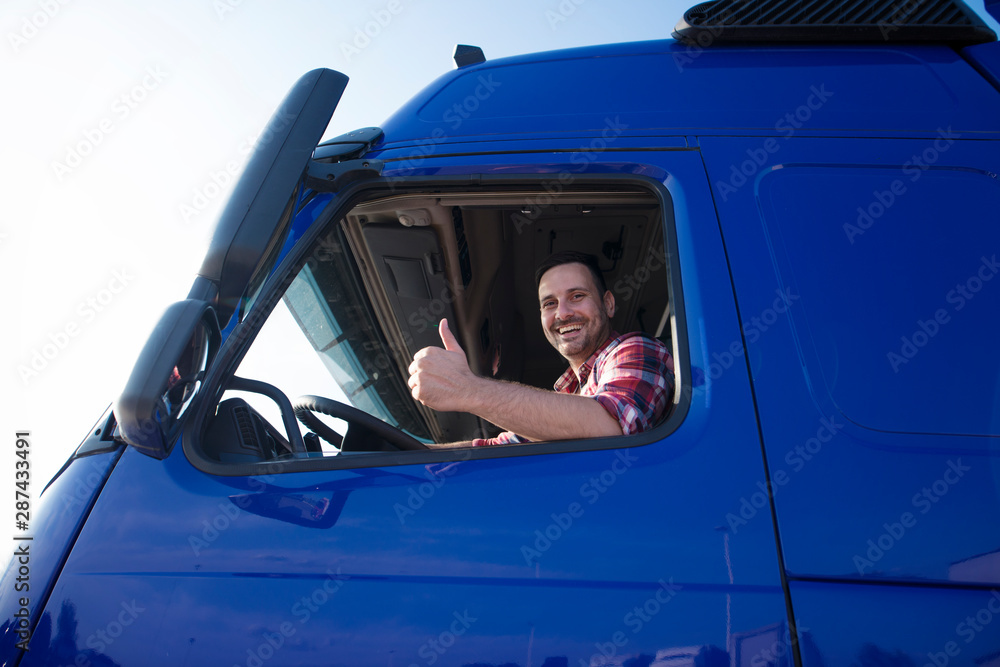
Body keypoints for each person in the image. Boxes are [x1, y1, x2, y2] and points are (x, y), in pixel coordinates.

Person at [407, 251, 674, 447]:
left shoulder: (636, 348)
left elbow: (610, 426)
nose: (563, 313)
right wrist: (410, 454)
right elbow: (491, 449)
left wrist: (466, 388)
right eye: (549, 304)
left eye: (577, 296)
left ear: (608, 304)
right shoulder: (565, 396)